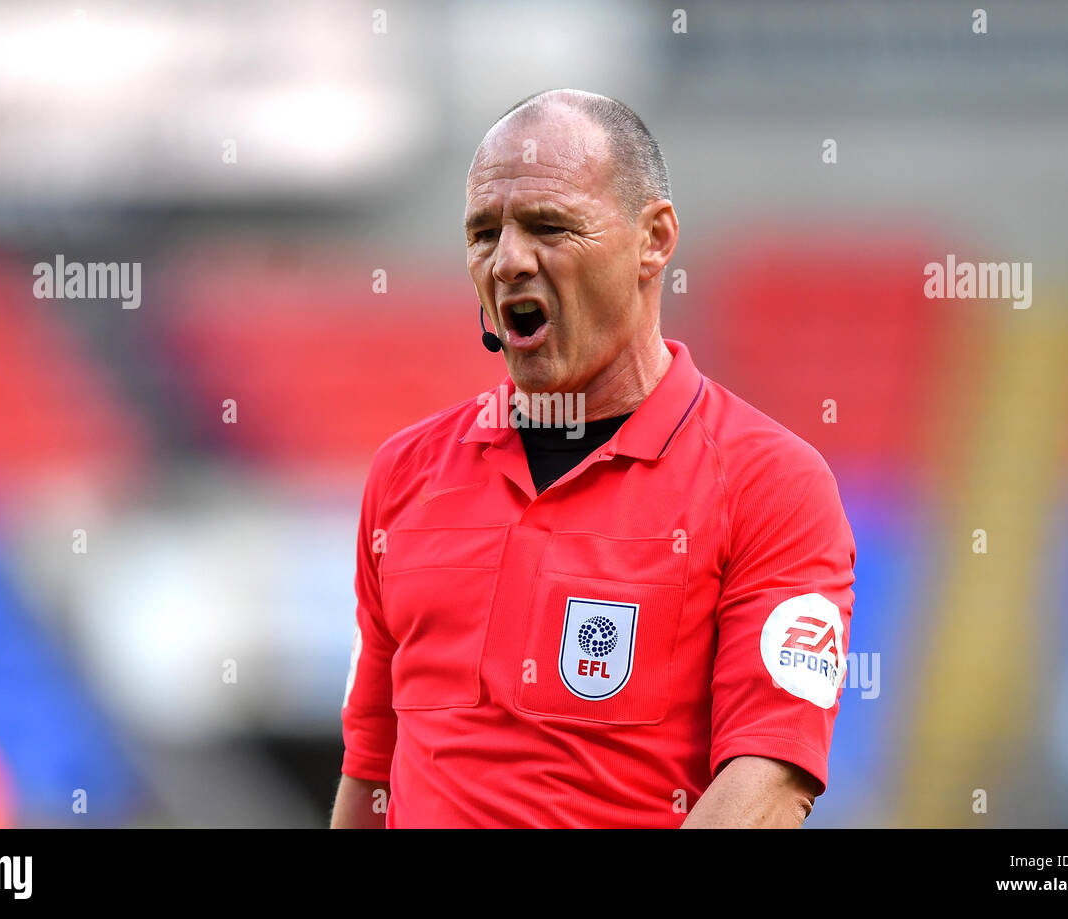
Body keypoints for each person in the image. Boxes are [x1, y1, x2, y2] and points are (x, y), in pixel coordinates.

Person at [332, 89, 855, 828]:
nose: (508, 260)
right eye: (484, 233)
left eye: (548, 226)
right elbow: (369, 775)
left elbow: (769, 779)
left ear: (655, 238)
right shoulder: (403, 475)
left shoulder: (771, 483)